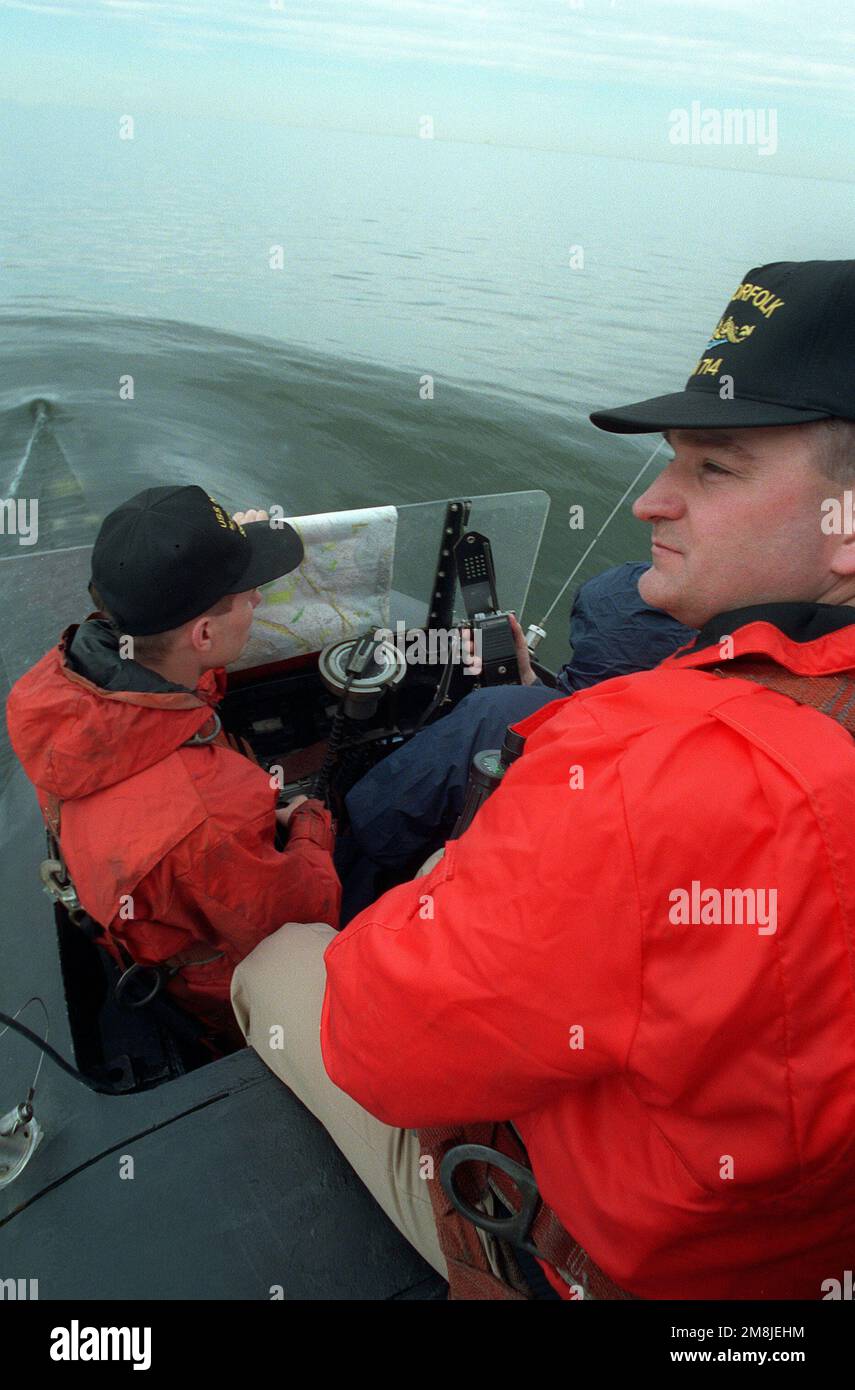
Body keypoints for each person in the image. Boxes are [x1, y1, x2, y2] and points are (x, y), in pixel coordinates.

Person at [232, 259, 855, 1299]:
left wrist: (448, 878)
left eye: (716, 468)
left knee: (284, 959)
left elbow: (374, 1041)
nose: (655, 500)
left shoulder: (651, 767)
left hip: (608, 1261)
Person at [8, 486, 340, 1050]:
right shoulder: (215, 814)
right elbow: (308, 911)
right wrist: (309, 820)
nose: (257, 601)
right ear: (204, 635)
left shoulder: (51, 690)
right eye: (247, 593)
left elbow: (177, 685)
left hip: (149, 917)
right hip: (216, 993)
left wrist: (222, 548)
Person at [337, 563, 695, 922]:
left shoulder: (497, 713)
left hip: (426, 917)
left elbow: (383, 820)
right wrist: (533, 688)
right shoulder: (681, 769)